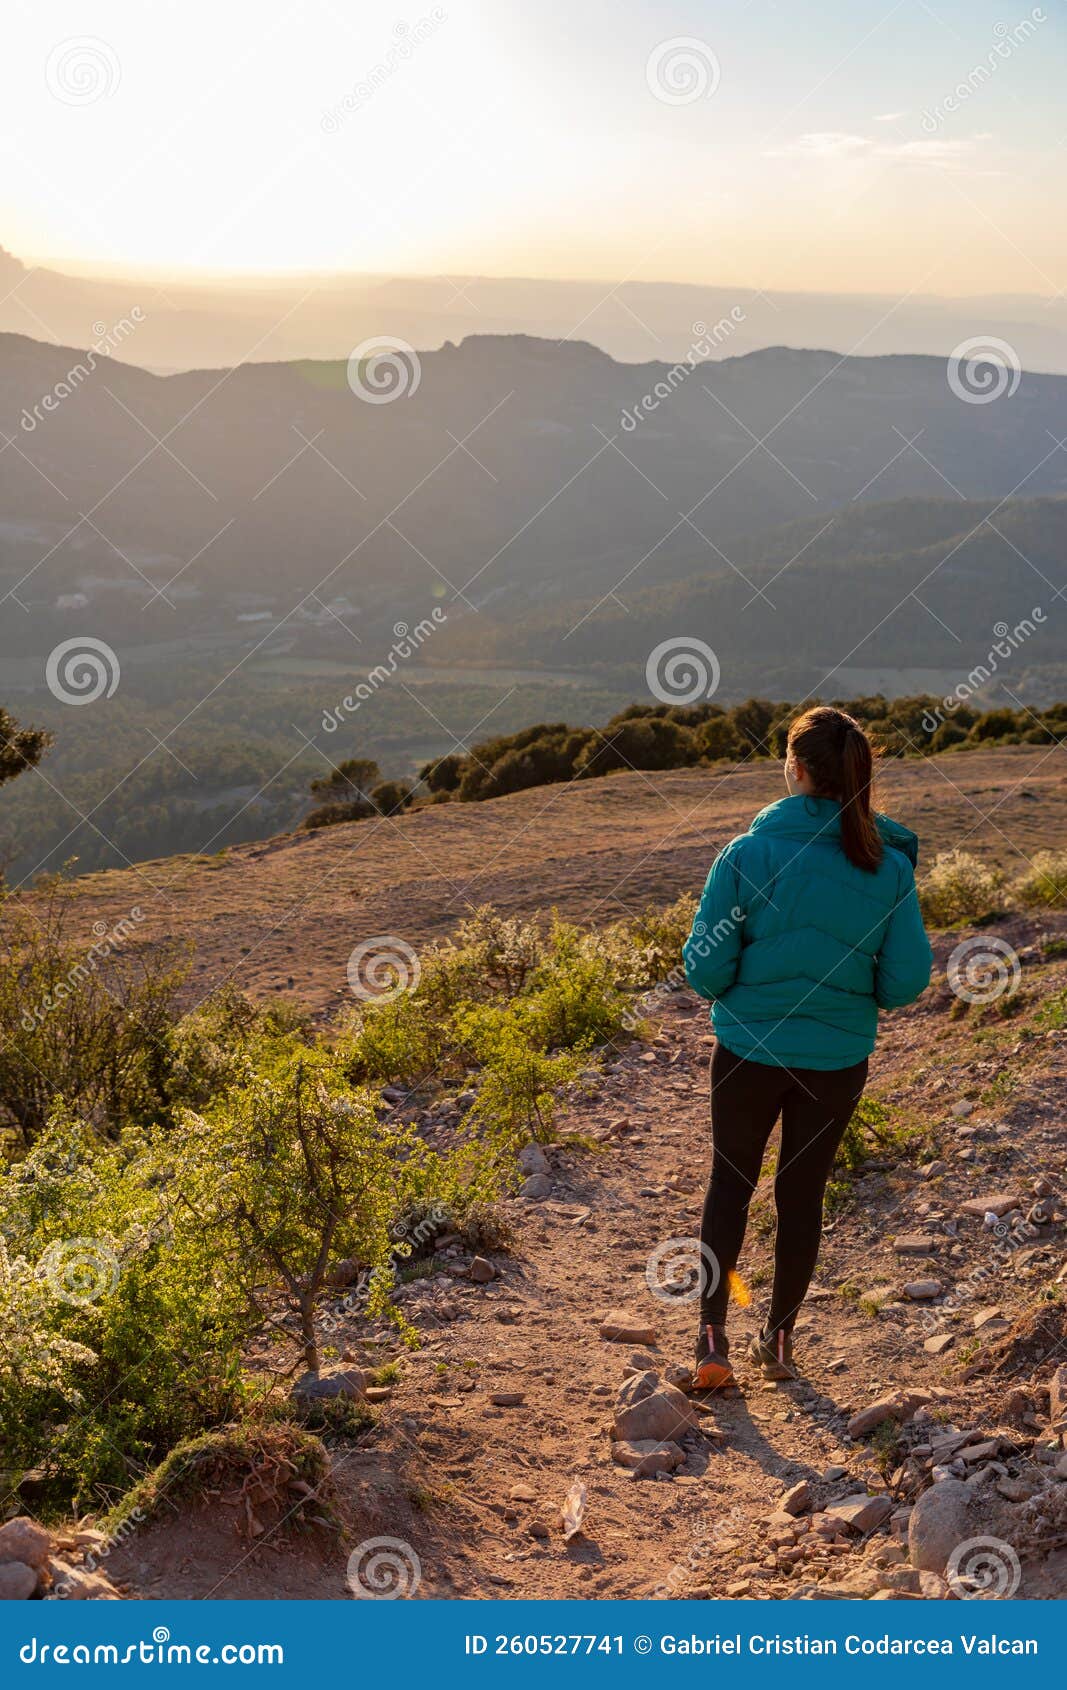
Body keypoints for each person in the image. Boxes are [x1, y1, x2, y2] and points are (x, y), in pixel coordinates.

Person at [682, 706, 932, 1389]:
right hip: (835, 1060)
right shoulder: (885, 868)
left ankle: (711, 1341)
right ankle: (781, 1342)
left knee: (728, 1186)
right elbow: (906, 979)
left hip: (746, 1051)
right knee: (801, 1195)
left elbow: (704, 965)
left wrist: (741, 989)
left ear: (793, 769)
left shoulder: (744, 855)